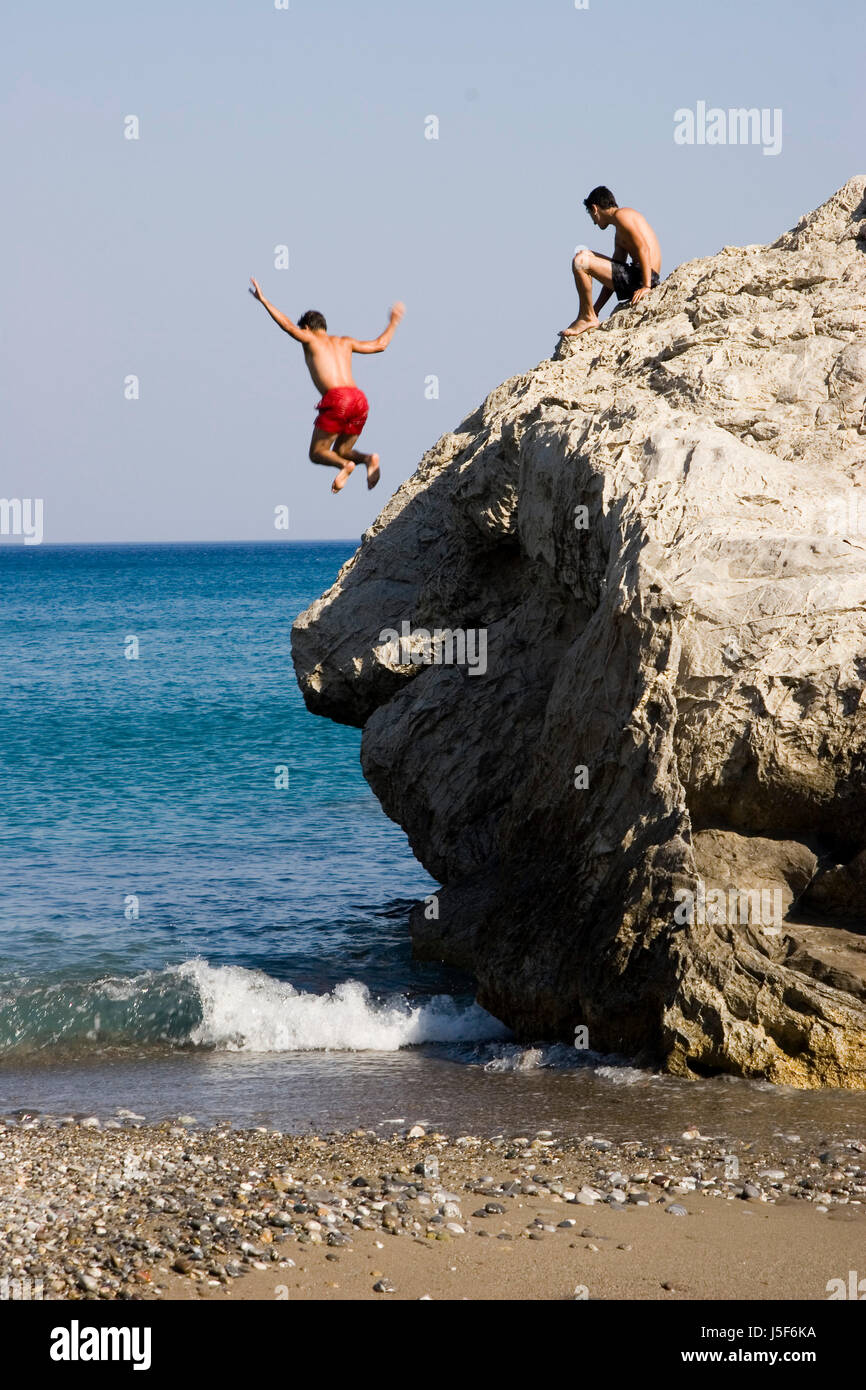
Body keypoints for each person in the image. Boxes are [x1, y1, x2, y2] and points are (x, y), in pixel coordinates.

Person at [249, 279, 405, 493]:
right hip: (359, 399)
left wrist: (264, 300)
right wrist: (394, 321)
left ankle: (345, 466)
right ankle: (369, 459)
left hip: (338, 399)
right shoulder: (345, 342)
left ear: (306, 328)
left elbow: (286, 325)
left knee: (316, 453)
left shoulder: (310, 339)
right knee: (341, 449)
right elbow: (380, 345)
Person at [560, 186, 661, 338]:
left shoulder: (623, 215)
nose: (594, 222)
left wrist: (646, 286)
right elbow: (613, 278)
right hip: (638, 276)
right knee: (584, 254)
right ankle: (589, 315)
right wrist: (597, 309)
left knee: (580, 261)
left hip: (644, 277)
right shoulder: (619, 233)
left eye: (591, 215)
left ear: (594, 209)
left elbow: (644, 248)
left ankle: (586, 316)